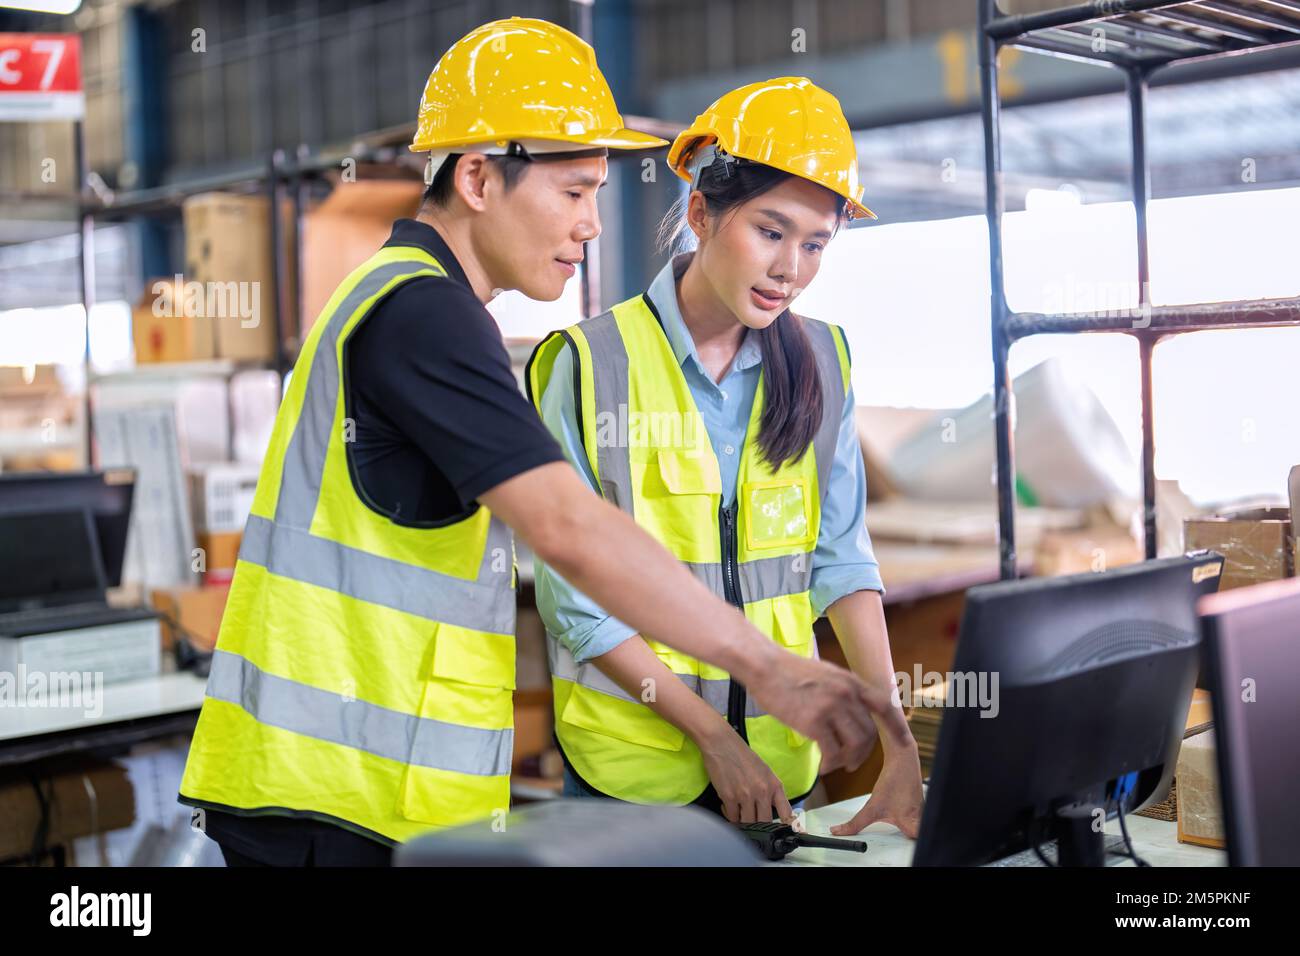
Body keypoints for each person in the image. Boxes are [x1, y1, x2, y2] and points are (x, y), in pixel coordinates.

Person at [178, 23, 881, 867]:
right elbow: (568, 531)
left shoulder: (411, 301)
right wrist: (765, 665)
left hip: (347, 789)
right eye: (574, 191)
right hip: (329, 797)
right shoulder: (423, 315)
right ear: (477, 176)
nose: (591, 226)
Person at [527, 77, 924, 835]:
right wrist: (712, 738)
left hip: (780, 770)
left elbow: (840, 558)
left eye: (815, 245)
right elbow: (576, 602)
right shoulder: (586, 362)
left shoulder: (823, 358)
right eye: (771, 232)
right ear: (702, 215)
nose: (791, 270)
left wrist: (898, 743)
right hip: (633, 775)